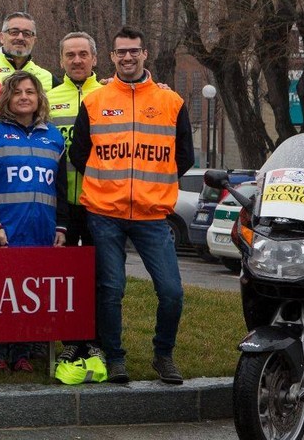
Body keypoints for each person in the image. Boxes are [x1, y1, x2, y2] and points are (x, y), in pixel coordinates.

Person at [69, 27, 194, 386]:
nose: (127, 57)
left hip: (153, 215)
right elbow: (80, 153)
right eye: (120, 52)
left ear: (145, 54)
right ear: (111, 56)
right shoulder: (94, 101)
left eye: (133, 51)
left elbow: (183, 156)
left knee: (171, 291)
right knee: (111, 289)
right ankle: (115, 357)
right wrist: (108, 182)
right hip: (104, 213)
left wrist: (156, 182)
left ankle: (163, 355)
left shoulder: (172, 102)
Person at [0, 70, 68, 374]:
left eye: (30, 92)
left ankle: (22, 352)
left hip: (41, 230)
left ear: (40, 98)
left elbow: (60, 188)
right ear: (6, 97)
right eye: (17, 92)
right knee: (0, 293)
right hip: (3, 229)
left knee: (30, 293)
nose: (24, 97)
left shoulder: (53, 136)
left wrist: (61, 227)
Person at [48, 31, 104, 365]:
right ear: (61, 60)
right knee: (66, 278)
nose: (77, 60)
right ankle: (70, 341)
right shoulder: (50, 98)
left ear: (95, 59)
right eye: (70, 55)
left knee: (102, 278)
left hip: (100, 202)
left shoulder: (110, 94)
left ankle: (98, 342)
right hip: (63, 203)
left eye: (84, 54)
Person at [0, 12, 54, 91]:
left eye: (27, 34)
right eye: (14, 32)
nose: (20, 38)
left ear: (34, 40)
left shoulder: (48, 78)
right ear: (2, 37)